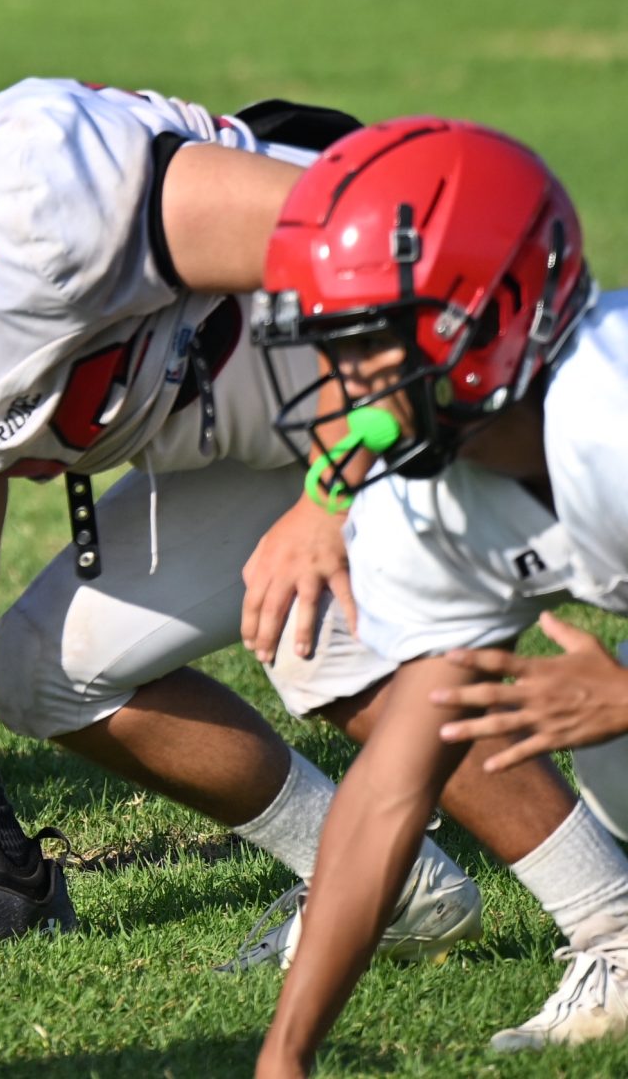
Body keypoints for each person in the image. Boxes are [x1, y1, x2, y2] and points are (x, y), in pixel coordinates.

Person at [0, 28, 577, 1015]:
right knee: (48, 671)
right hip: (241, 440)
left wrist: (329, 494)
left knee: (335, 639)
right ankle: (388, 882)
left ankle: (611, 928)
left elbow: (379, 245)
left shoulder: (31, 192)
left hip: (424, 372)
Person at [248, 120, 628, 1068]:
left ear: (491, 316)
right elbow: (388, 794)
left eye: (367, 344)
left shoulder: (610, 413)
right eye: (331, 350)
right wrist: (285, 1054)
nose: (344, 384)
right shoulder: (431, 503)